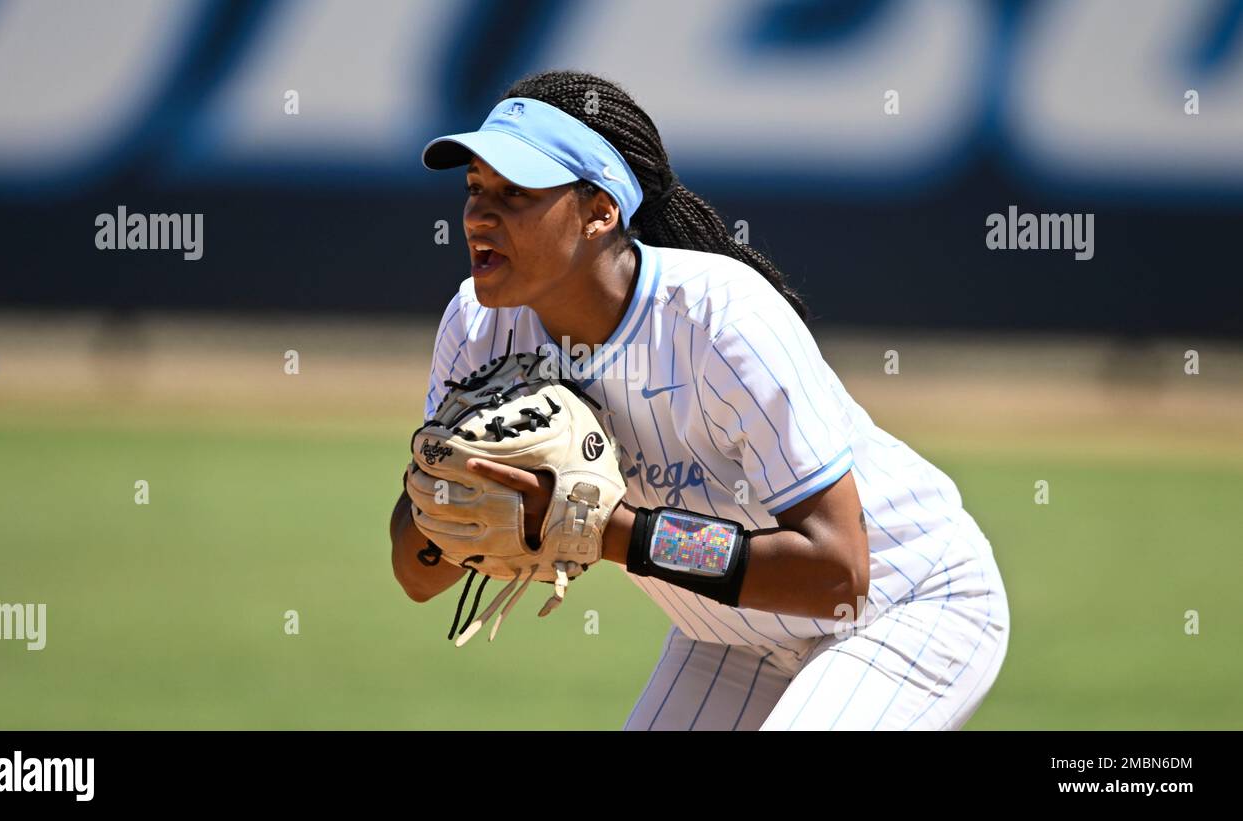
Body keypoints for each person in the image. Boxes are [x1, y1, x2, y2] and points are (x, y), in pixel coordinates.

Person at [390, 69, 1009, 730]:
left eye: (515, 192)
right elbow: (416, 576)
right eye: (476, 188)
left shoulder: (718, 316)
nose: (480, 214)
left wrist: (607, 531)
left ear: (600, 211)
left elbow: (838, 574)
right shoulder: (478, 326)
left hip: (906, 602)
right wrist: (454, 503)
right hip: (729, 635)